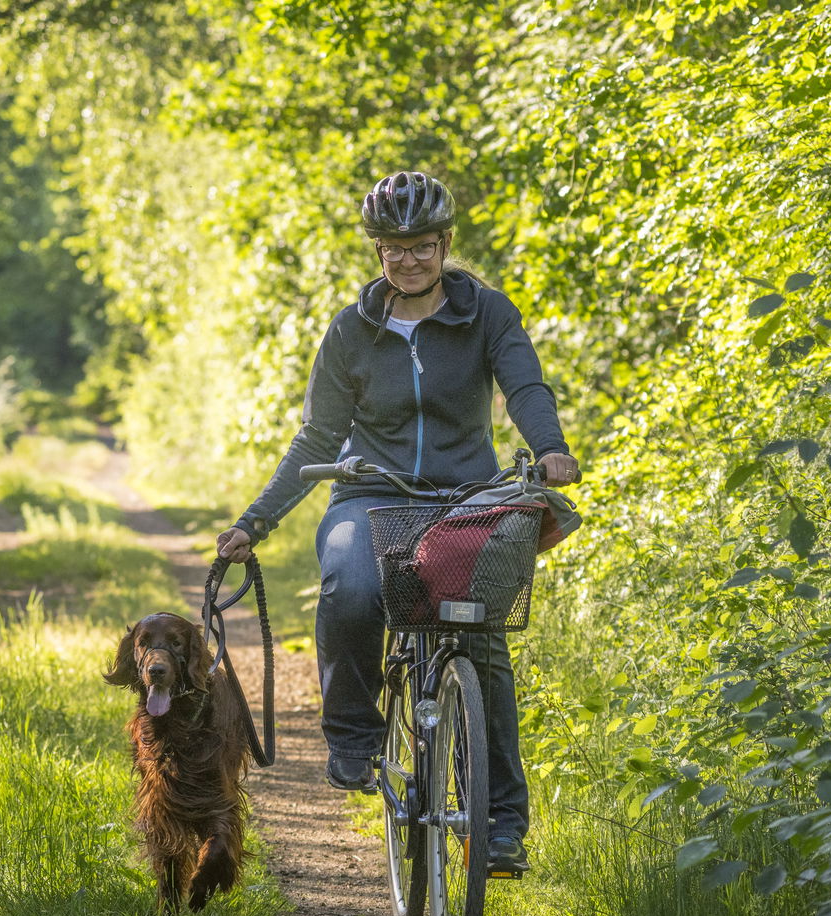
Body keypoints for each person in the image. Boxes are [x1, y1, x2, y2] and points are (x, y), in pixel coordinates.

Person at [214, 171, 578, 873]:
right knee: (349, 586)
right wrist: (253, 524)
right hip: (369, 495)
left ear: (444, 244)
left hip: (467, 499)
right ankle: (353, 733)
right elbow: (317, 439)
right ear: (378, 252)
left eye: (422, 246)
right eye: (394, 248)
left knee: (485, 647)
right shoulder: (351, 331)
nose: (409, 259)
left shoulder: (487, 314)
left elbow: (524, 384)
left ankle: (501, 823)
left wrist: (551, 446)